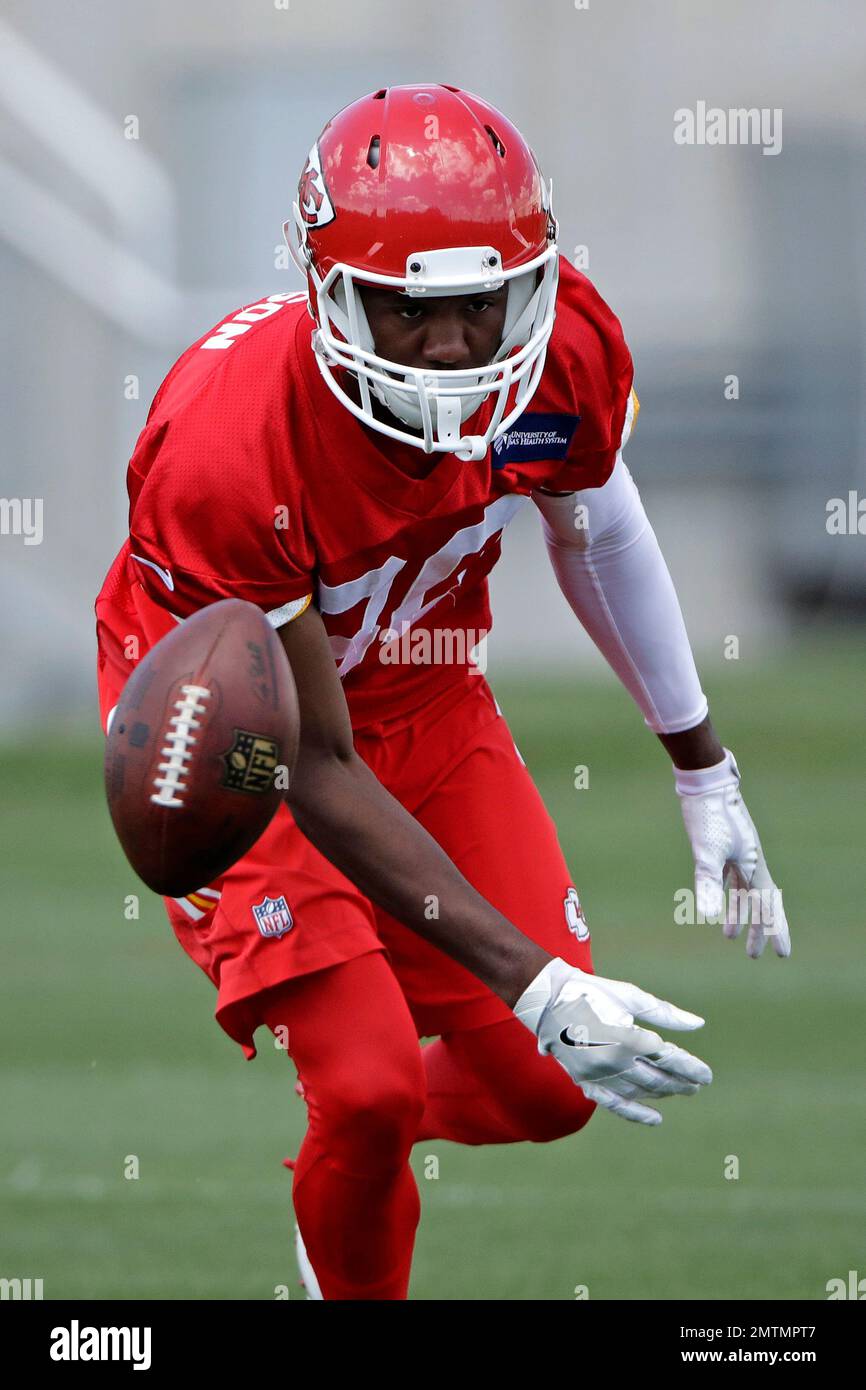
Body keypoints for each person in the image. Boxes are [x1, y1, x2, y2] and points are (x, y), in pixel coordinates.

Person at [95, 84, 789, 1301]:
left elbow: (596, 526)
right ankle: (349, 1182)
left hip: (422, 700)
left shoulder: (562, 348)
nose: (454, 346)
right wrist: (537, 980)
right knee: (365, 1081)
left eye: (480, 305)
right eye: (410, 312)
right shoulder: (228, 442)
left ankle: (350, 1157)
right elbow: (312, 763)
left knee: (548, 1085)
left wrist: (700, 762)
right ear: (328, 291)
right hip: (241, 730)